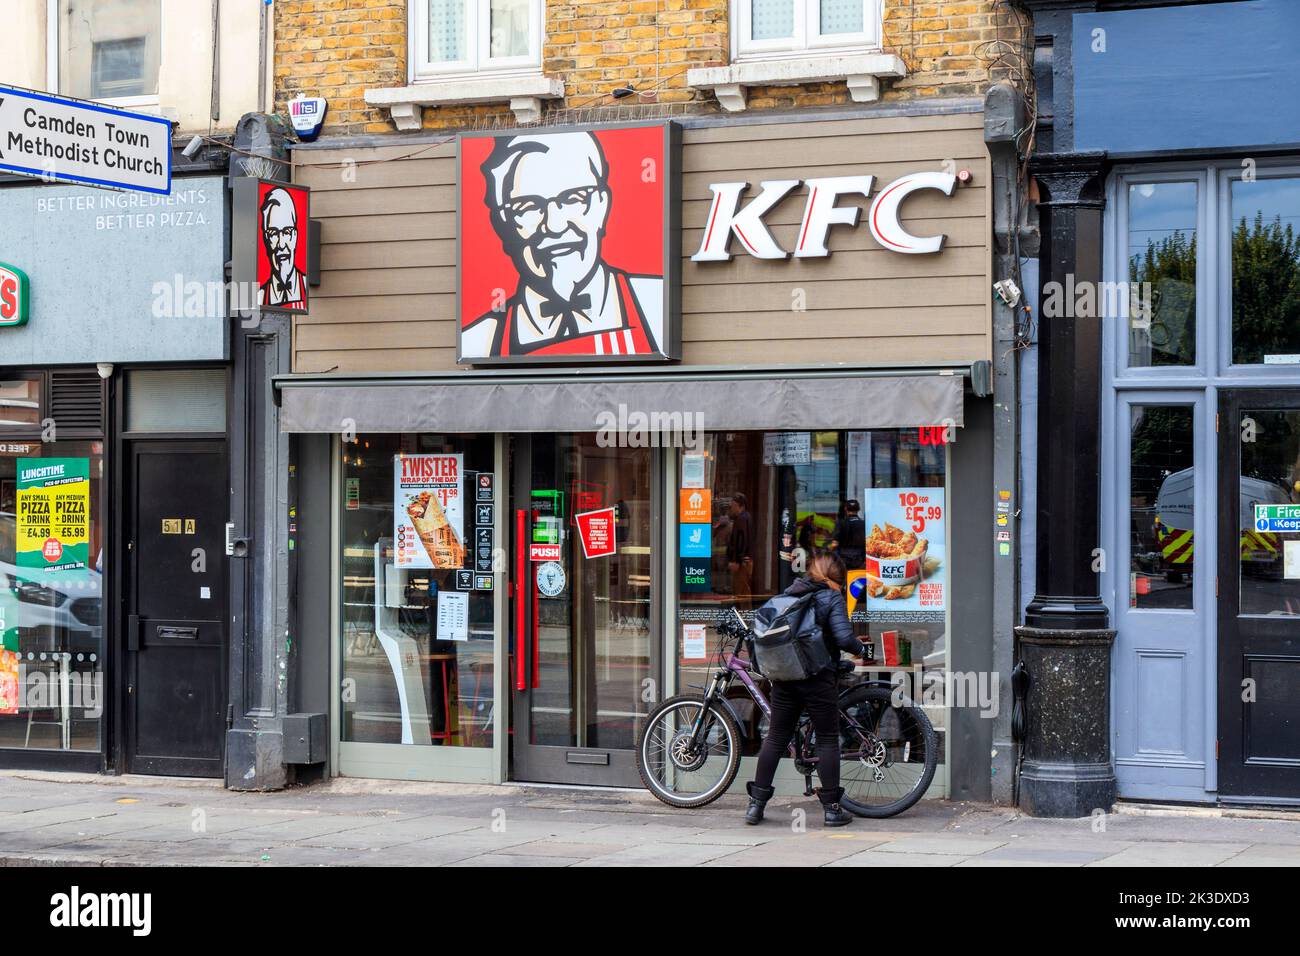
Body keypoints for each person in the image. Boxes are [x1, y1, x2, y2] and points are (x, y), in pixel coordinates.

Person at [462, 131, 664, 358]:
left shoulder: (656, 306)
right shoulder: (479, 342)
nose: (554, 225)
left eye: (573, 199)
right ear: (503, 224)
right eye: (528, 206)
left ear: (602, 206)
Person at [744, 549, 870, 828]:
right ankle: (832, 809)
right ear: (837, 578)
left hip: (785, 678)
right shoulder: (831, 596)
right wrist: (860, 648)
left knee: (775, 738)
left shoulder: (788, 595)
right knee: (827, 739)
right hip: (817, 679)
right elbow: (843, 637)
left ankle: (756, 806)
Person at [258, 187, 307, 310]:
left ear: (295, 236)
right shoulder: (259, 297)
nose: (281, 244)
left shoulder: (306, 287)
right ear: (266, 239)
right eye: (273, 233)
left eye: (286, 232)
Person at [725, 493, 753, 609]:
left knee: (741, 592)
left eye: (733, 505)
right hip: (744, 560)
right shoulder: (745, 517)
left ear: (740, 505)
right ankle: (745, 619)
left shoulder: (742, 519)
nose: (731, 508)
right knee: (743, 592)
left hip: (742, 562)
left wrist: (736, 560)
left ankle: (745, 620)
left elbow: (741, 541)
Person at [830, 498, 866, 570]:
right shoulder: (864, 524)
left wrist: (829, 551)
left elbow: (834, 544)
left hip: (843, 560)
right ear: (858, 509)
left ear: (845, 509)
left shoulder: (841, 523)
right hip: (859, 560)